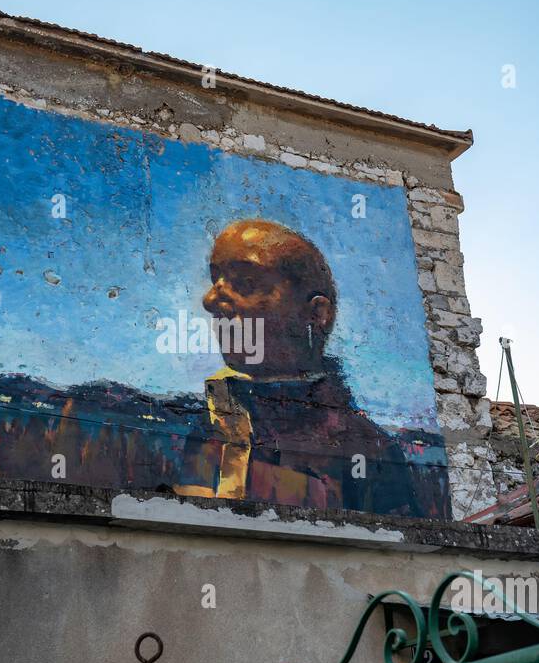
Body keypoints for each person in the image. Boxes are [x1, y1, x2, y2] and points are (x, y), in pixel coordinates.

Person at [174, 219, 439, 516]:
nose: (210, 301)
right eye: (215, 282)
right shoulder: (212, 423)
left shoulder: (366, 449)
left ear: (316, 314)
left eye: (247, 283)